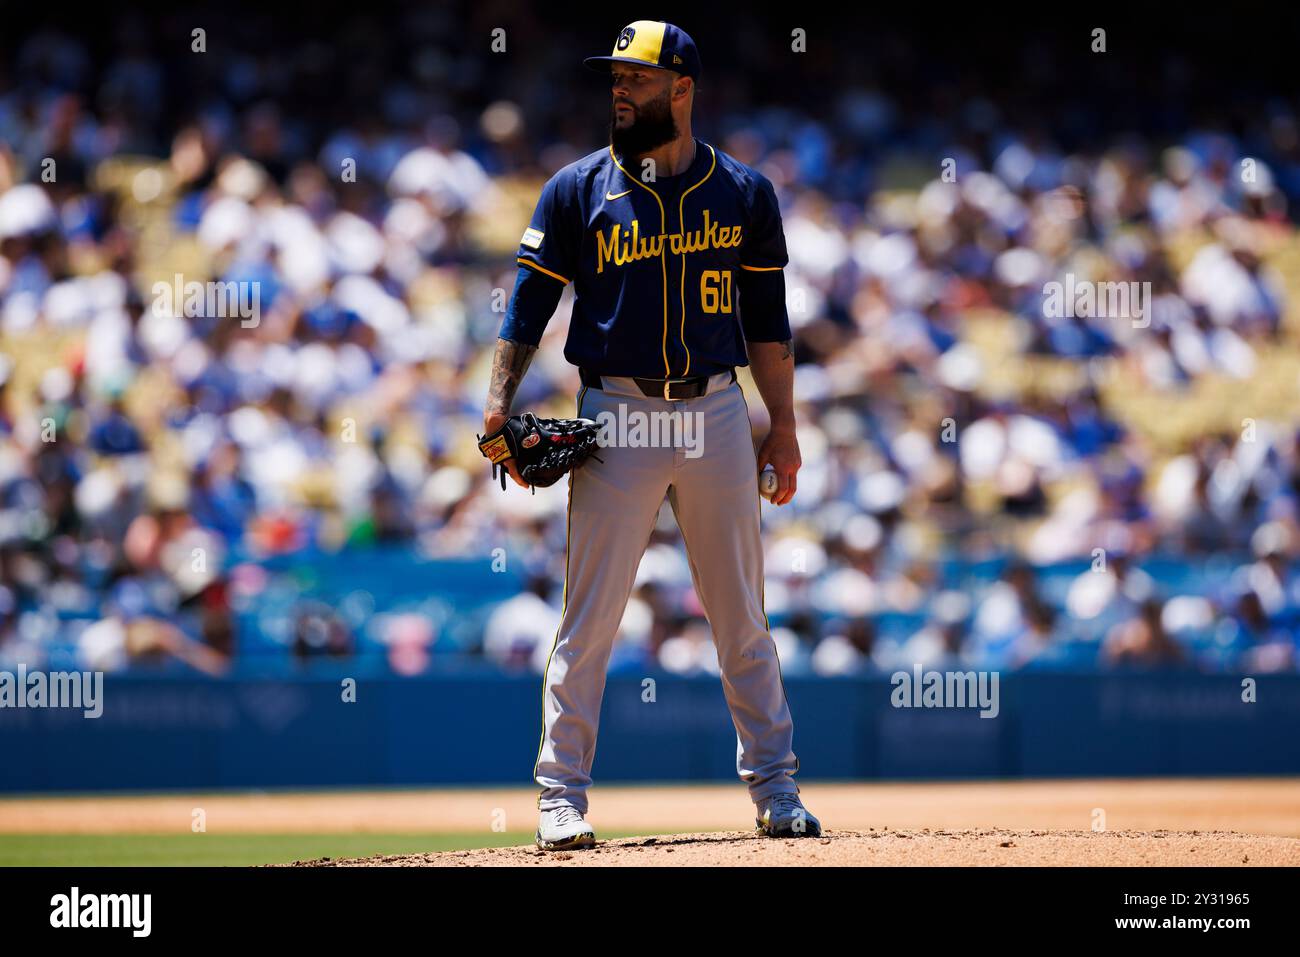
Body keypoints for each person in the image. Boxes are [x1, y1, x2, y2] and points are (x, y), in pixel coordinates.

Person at [482, 20, 820, 850]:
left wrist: (783, 429)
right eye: (615, 79)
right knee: (590, 616)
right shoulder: (576, 189)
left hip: (716, 411)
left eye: (636, 77)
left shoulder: (743, 192)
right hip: (618, 412)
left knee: (741, 613)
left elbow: (768, 325)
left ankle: (778, 790)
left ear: (682, 89)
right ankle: (560, 796)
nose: (620, 90)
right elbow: (528, 305)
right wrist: (498, 404)